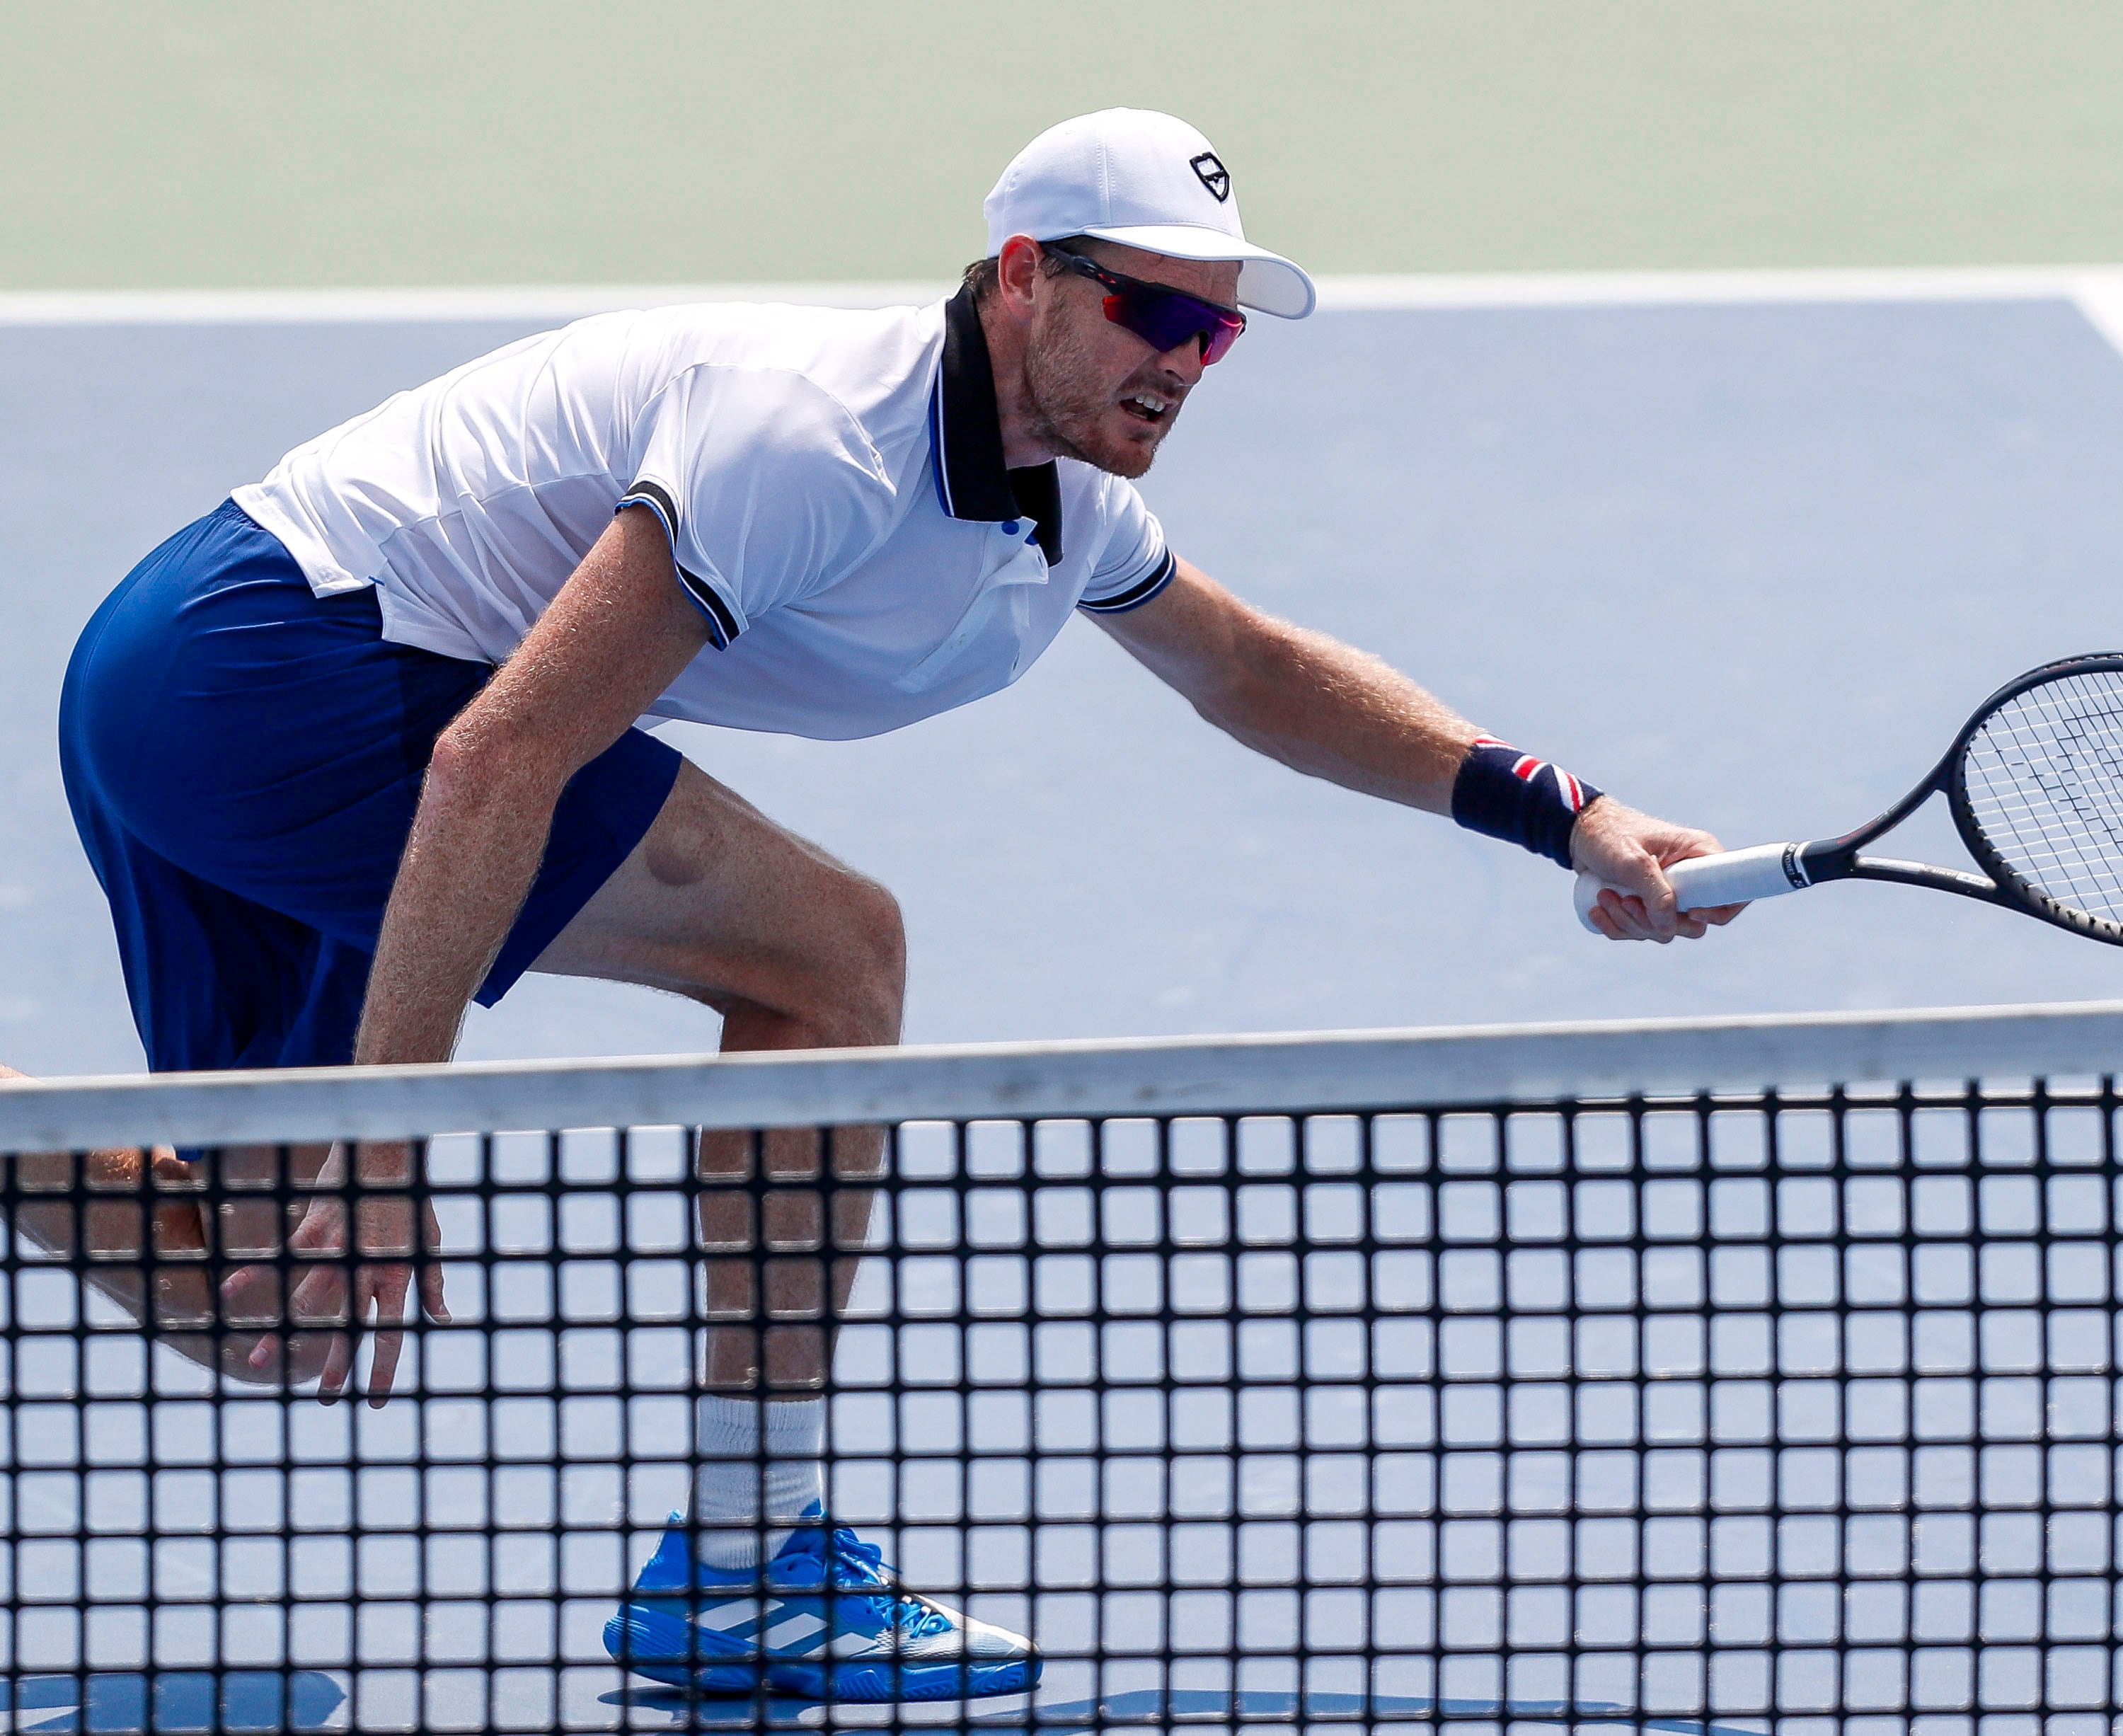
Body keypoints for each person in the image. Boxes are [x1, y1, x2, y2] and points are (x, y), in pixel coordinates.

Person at [36, 108, 1737, 1701]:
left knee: (266, 1298)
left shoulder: (1055, 505)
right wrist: (390, 1134)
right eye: (1150, 307)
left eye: (1214, 331)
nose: (1182, 361)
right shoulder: (812, 436)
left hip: (166, 674)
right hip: (284, 669)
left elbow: (1249, 671)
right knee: (829, 961)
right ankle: (746, 1559)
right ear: (1020, 278)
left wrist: (1565, 815)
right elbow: (496, 762)